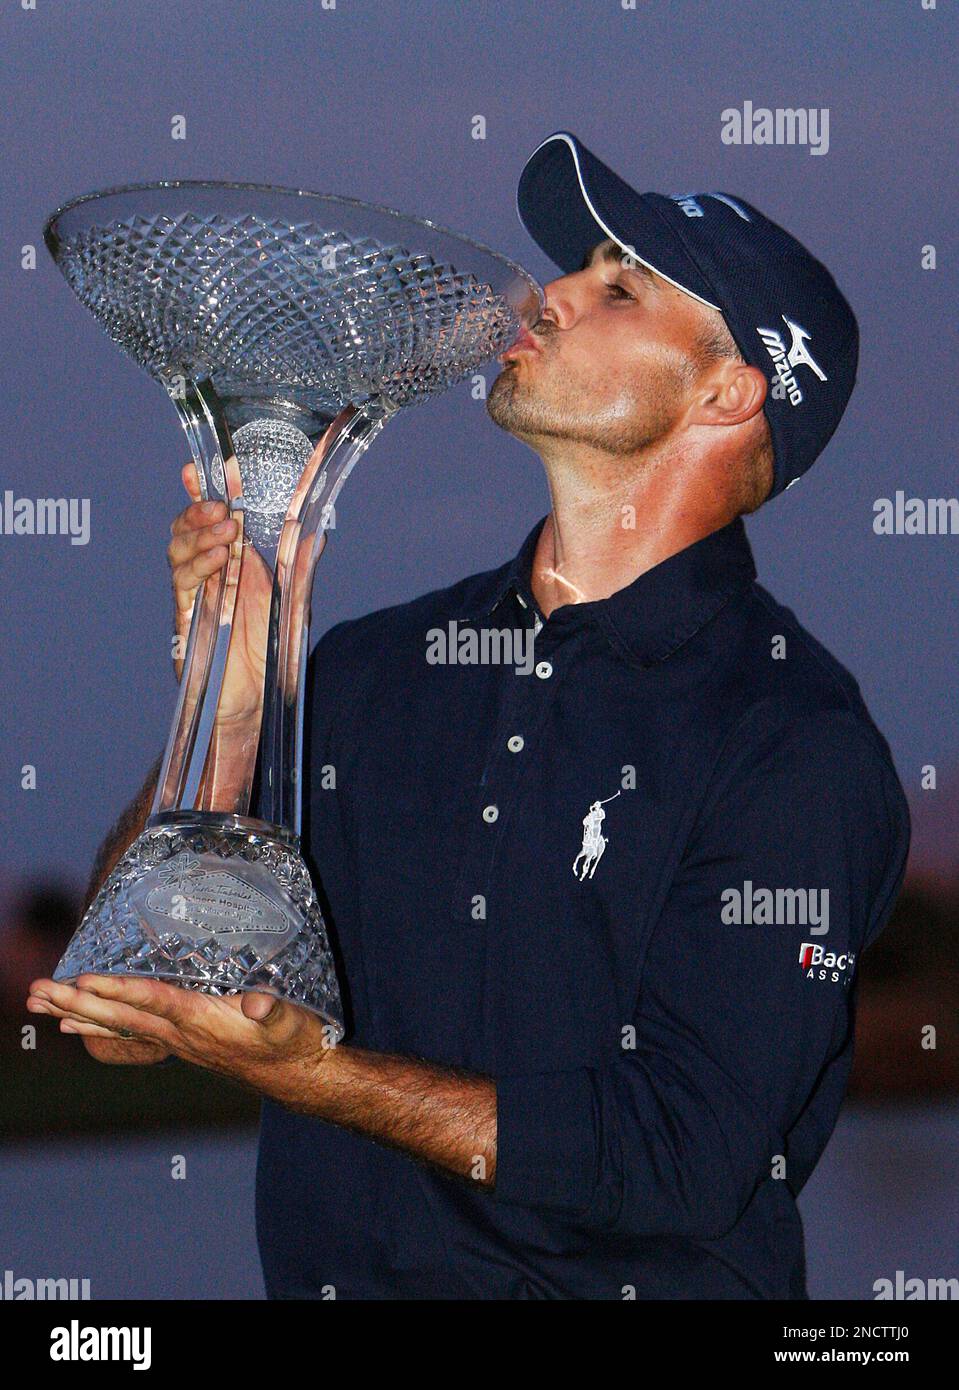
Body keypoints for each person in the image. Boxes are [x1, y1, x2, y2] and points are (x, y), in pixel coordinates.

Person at [29, 131, 910, 1299]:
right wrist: (227, 713)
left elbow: (684, 1160)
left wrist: (322, 1078)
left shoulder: (791, 740)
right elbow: (120, 1025)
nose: (544, 295)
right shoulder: (367, 671)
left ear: (727, 389)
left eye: (616, 287)